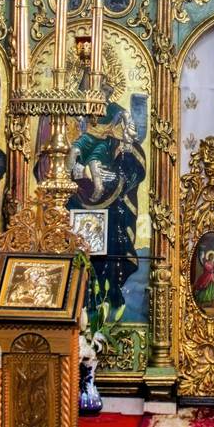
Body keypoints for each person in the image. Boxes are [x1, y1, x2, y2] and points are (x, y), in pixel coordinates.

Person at [66, 93, 146, 311]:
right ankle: (71, 300)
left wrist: (113, 175)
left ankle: (105, 298)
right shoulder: (67, 109)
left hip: (110, 206)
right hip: (72, 201)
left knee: (108, 255)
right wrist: (77, 171)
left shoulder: (117, 115)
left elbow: (133, 161)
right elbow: (51, 160)